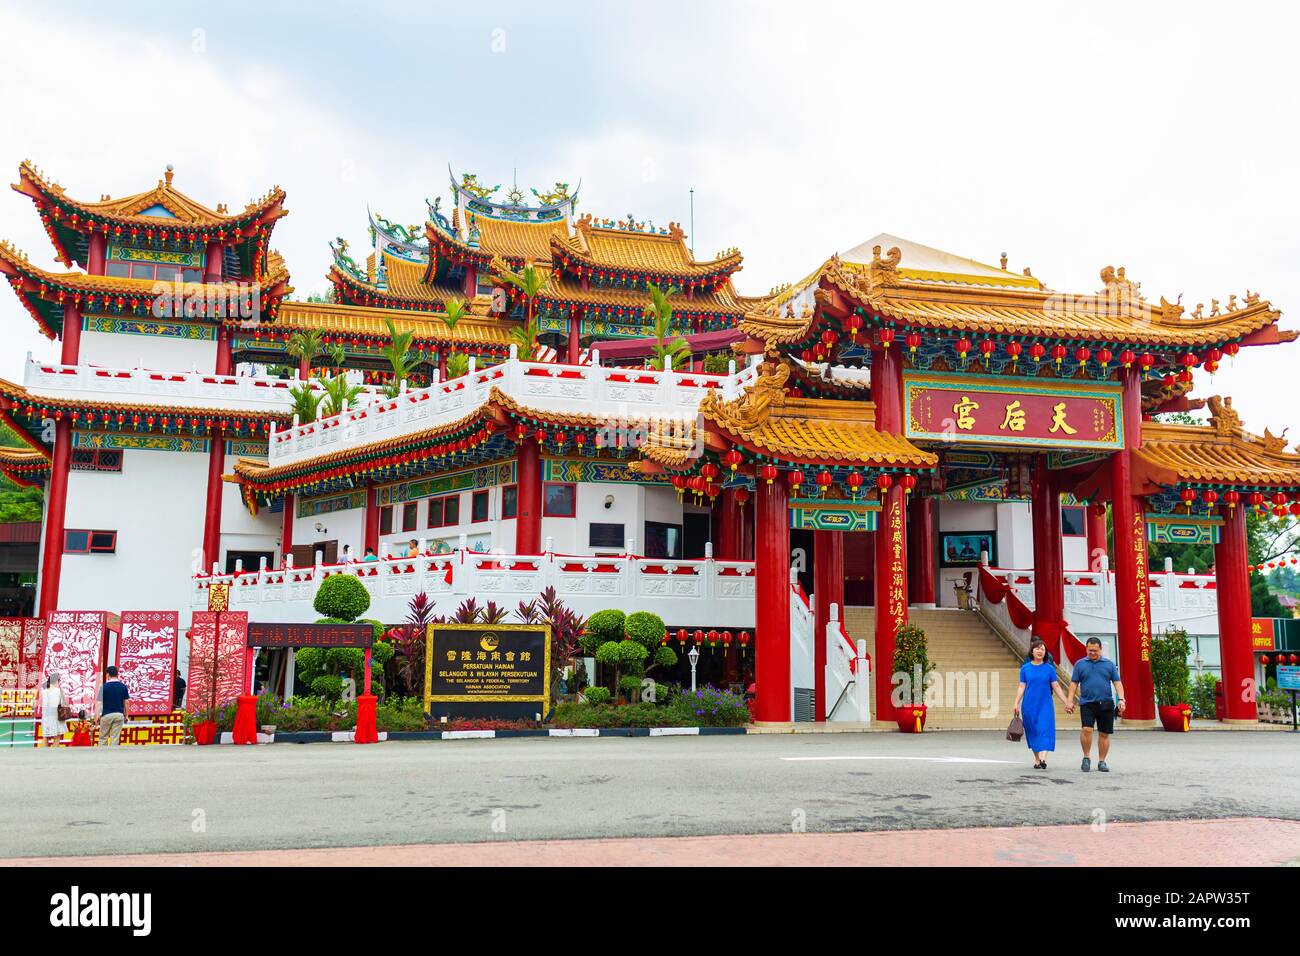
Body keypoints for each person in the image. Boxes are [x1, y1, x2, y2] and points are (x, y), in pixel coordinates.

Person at [1067, 637, 1126, 772]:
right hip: (1087, 703)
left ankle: (1102, 761)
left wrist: (1121, 699)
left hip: (1106, 703)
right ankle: (1086, 757)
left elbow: (1117, 683)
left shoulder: (1109, 665)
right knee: (1086, 730)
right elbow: (1074, 683)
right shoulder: (1080, 664)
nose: (1092, 653)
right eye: (1090, 650)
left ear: (1101, 649)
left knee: (1104, 733)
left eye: (1095, 650)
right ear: (1086, 649)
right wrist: (1069, 701)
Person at [1013, 638, 1071, 769]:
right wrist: (1016, 703)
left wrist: (1067, 702)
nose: (1040, 651)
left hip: (1045, 705)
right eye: (1037, 648)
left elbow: (1056, 686)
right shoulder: (1025, 668)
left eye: (1042, 649)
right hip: (1029, 705)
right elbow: (1022, 686)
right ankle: (1037, 759)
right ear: (1032, 651)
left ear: (1045, 653)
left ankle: (1044, 758)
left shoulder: (1049, 669)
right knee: (1032, 731)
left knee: (1045, 729)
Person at [96, 665, 131, 747]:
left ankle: (101, 753)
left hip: (106, 715)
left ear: (108, 674)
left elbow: (99, 703)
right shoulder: (123, 686)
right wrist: (126, 715)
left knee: (103, 738)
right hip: (119, 715)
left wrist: (97, 716)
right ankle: (113, 754)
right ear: (117, 674)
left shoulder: (103, 687)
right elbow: (126, 702)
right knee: (115, 738)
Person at [40, 671, 68, 748]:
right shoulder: (59, 691)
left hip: (46, 717)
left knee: (45, 736)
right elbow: (64, 703)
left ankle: (45, 752)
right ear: (56, 681)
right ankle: (53, 753)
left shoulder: (43, 692)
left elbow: (41, 704)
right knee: (57, 736)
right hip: (56, 717)